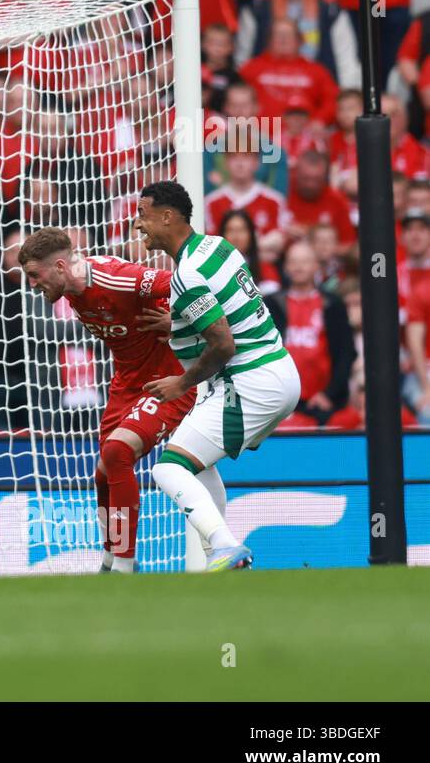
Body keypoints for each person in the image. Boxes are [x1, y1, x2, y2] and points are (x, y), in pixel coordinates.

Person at [133, 180, 302, 572]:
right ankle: (222, 557)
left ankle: (224, 545)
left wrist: (181, 383)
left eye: (143, 215)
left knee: (168, 468)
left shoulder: (187, 274)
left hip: (249, 381)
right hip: (278, 367)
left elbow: (224, 344)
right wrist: (177, 324)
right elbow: (232, 310)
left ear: (167, 216)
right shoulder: (218, 246)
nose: (139, 224)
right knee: (197, 461)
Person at [18, 227, 203, 573]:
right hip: (127, 383)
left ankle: (124, 564)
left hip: (169, 378)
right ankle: (110, 556)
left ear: (59, 267)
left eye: (34, 275)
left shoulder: (118, 278)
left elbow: (187, 284)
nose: (32, 284)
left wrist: (176, 323)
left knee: (118, 453)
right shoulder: (70, 288)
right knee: (103, 472)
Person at [265, 240, 355, 427]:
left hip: (322, 402)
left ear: (316, 266)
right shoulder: (271, 304)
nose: (299, 267)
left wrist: (329, 394)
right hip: (281, 401)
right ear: (286, 267)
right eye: (293, 261)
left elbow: (346, 353)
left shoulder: (333, 304)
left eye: (305, 261)